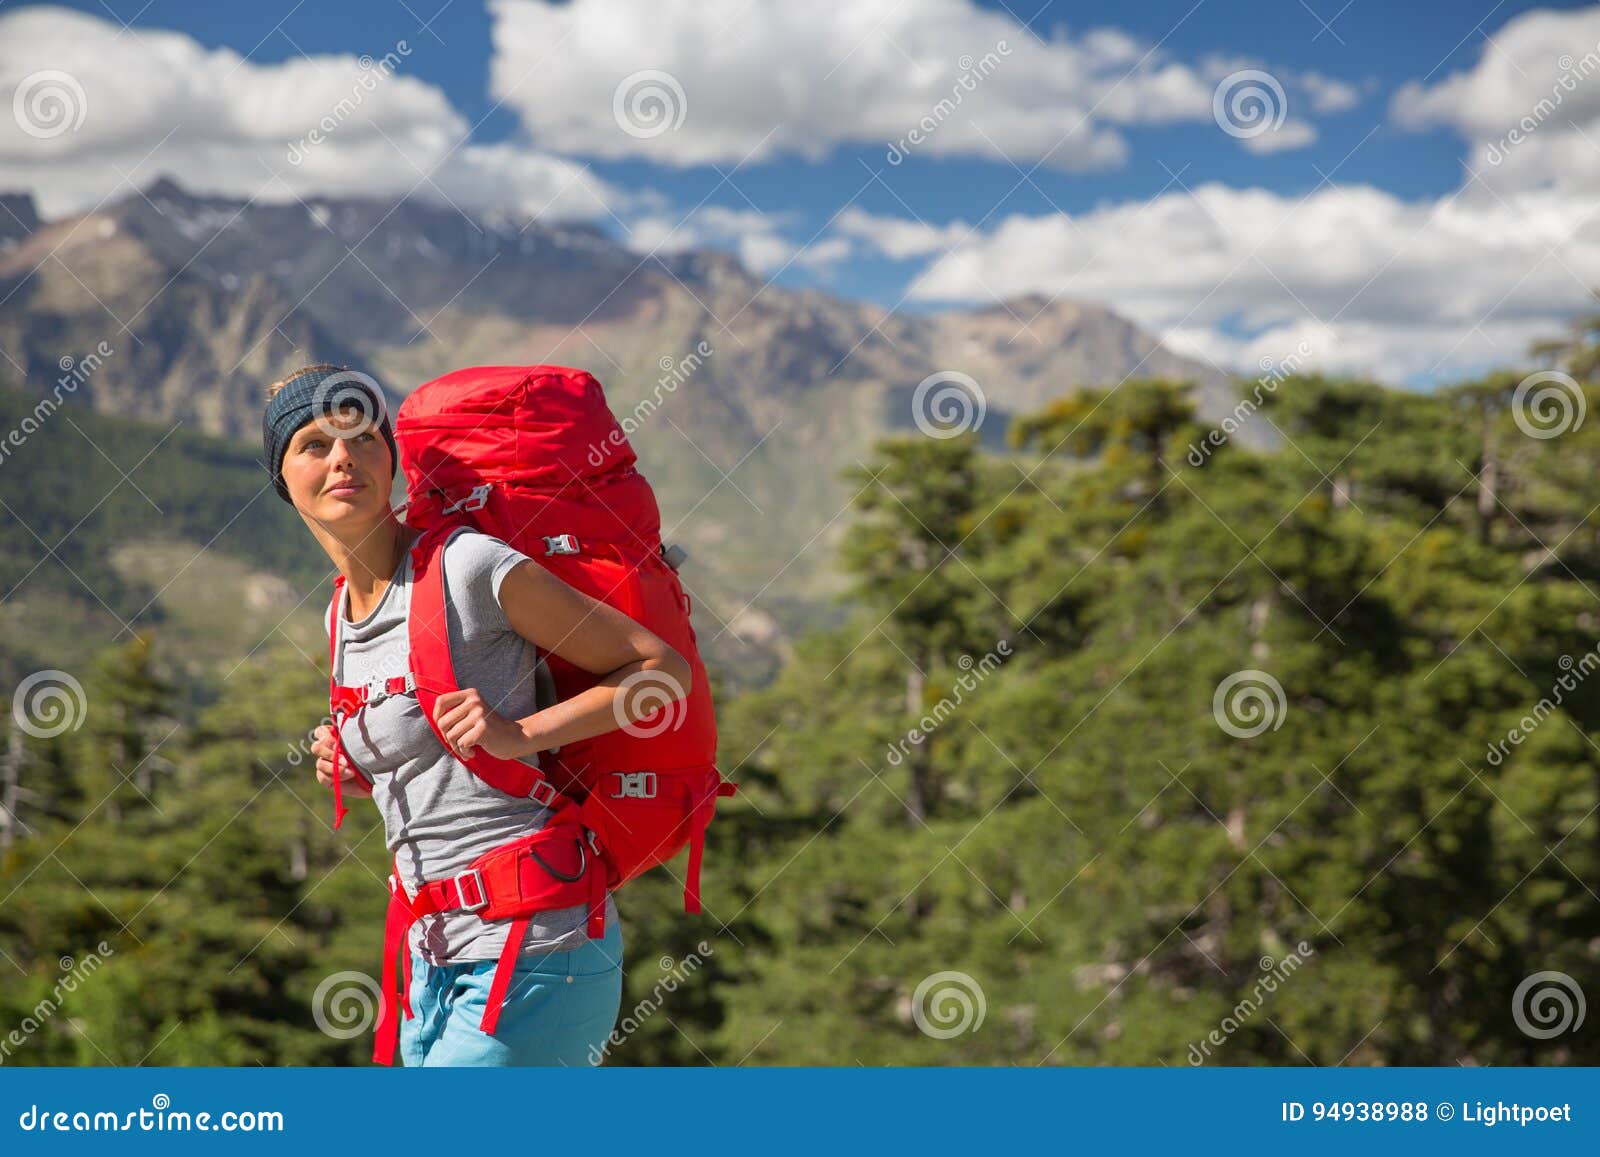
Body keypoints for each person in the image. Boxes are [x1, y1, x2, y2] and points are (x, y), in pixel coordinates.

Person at [260, 364, 692, 1066]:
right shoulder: (340, 612)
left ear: (390, 461)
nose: (344, 456)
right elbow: (436, 757)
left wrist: (518, 733)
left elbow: (661, 672)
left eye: (363, 438)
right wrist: (358, 758)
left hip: (535, 948)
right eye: (314, 443)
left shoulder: (465, 567)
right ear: (283, 480)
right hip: (429, 964)